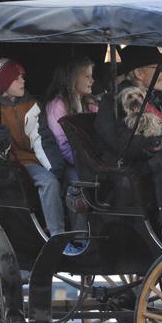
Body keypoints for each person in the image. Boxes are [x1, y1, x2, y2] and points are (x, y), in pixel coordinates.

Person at [94, 45, 162, 247]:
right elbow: (123, 145)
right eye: (158, 67)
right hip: (134, 169)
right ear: (138, 73)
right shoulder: (119, 100)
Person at [0, 55, 68, 243]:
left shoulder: (30, 105)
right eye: (16, 78)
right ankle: (57, 236)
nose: (23, 80)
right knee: (48, 183)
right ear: (4, 83)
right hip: (9, 165)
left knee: (67, 178)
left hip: (31, 159)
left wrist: (53, 166)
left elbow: (41, 137)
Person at [44, 56, 99, 252]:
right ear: (72, 78)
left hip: (92, 159)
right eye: (87, 76)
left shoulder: (90, 103)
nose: (92, 80)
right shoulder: (57, 106)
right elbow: (63, 145)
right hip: (69, 161)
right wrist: (85, 163)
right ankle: (80, 236)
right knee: (77, 183)